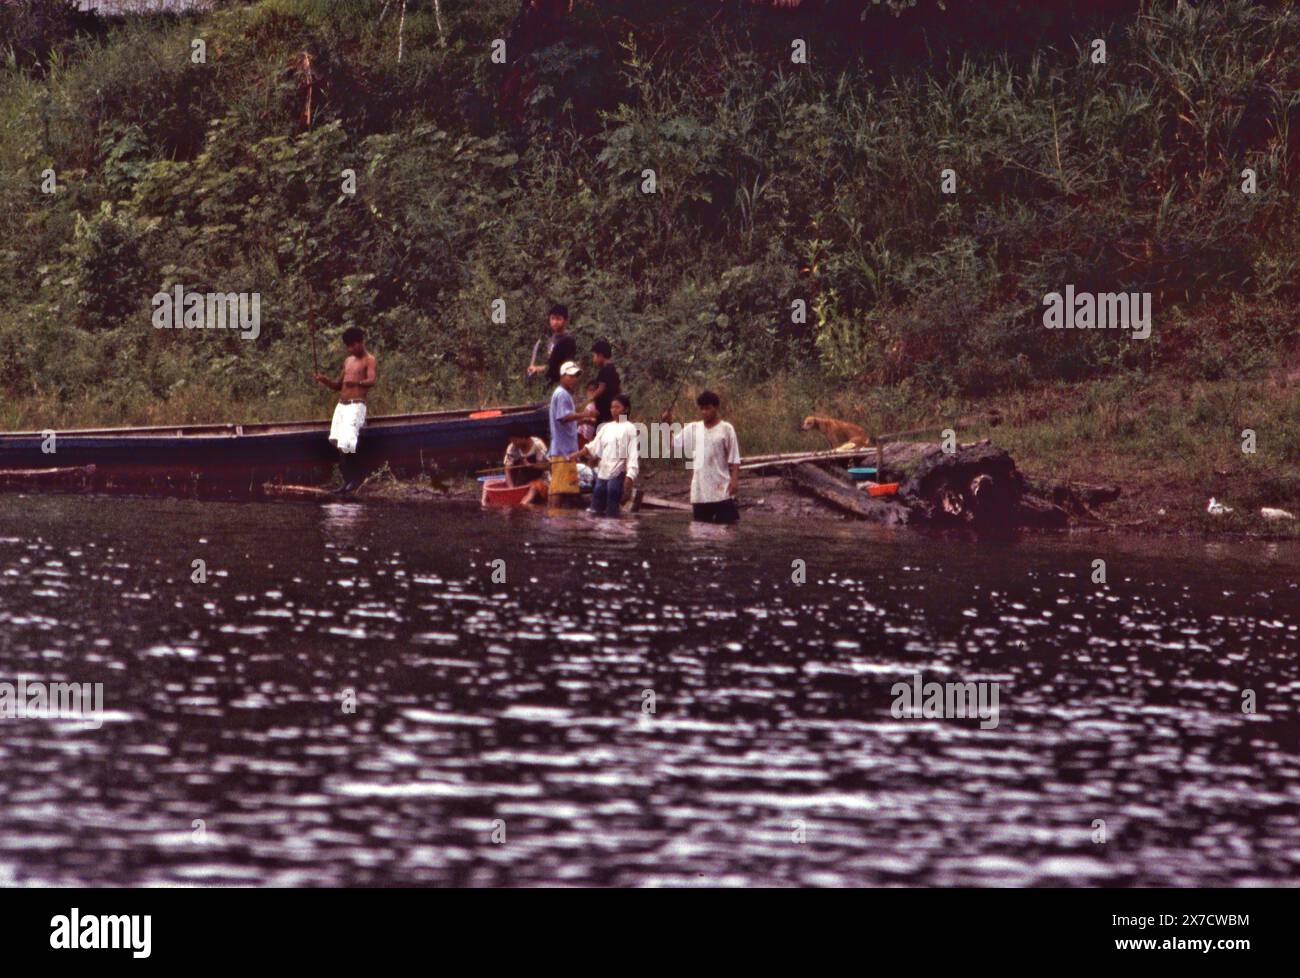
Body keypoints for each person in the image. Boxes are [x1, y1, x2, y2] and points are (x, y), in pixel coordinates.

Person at [314, 326, 376, 494]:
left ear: (361, 342)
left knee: (348, 441)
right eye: (348, 346)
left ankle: (356, 479)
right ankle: (347, 480)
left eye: (353, 345)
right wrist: (324, 379)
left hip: (356, 405)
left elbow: (371, 380)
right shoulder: (348, 361)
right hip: (342, 405)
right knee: (337, 441)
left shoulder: (369, 359)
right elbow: (337, 385)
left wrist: (357, 383)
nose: (350, 349)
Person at [663, 389, 741, 523]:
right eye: (702, 409)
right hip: (700, 490)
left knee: (729, 529)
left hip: (721, 488)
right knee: (701, 532)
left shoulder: (726, 428)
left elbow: (735, 457)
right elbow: (672, 444)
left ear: (716, 407)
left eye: (708, 408)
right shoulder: (693, 428)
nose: (704, 412)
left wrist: (734, 480)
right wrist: (666, 425)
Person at [573, 392, 638, 517]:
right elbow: (593, 446)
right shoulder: (606, 427)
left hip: (617, 474)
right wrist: (575, 454)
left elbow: (632, 455)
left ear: (626, 409)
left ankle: (612, 533)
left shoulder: (629, 428)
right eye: (612, 407)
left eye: (617, 407)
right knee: (595, 508)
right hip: (603, 473)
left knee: (612, 509)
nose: (613, 410)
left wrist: (629, 478)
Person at [527, 303, 577, 385]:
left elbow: (566, 366)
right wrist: (537, 369)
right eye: (552, 318)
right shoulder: (552, 339)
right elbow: (551, 365)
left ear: (566, 321)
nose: (555, 322)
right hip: (549, 382)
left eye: (558, 319)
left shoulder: (568, 341)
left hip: (560, 383)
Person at [548, 360, 585, 458]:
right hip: (563, 452)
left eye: (575, 377)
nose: (573, 379)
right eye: (570, 376)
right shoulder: (562, 394)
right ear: (562, 376)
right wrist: (585, 414)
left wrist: (585, 420)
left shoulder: (565, 394)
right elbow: (564, 417)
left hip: (568, 451)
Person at [503, 425, 550, 502]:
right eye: (512, 441)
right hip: (522, 480)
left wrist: (531, 465)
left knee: (532, 491)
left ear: (524, 437)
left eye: (515, 440)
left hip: (540, 480)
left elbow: (547, 466)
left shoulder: (538, 445)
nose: (514, 443)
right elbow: (507, 469)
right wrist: (511, 489)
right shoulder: (512, 447)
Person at [589, 340, 621, 425]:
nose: (594, 360)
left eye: (594, 356)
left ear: (600, 355)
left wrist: (591, 397)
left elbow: (601, 388)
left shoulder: (604, 370)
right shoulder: (613, 369)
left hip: (604, 409)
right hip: (611, 407)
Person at [577, 381, 599, 448]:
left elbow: (598, 420)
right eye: (589, 390)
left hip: (591, 433)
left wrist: (587, 420)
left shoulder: (599, 405)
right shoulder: (588, 404)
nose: (591, 392)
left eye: (594, 390)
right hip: (582, 433)